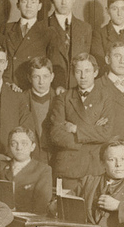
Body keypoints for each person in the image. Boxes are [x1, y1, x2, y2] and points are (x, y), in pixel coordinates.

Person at [48, 52, 118, 186]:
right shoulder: (64, 98)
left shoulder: (105, 97)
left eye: (87, 71)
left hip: (95, 167)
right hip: (69, 168)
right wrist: (92, 136)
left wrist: (75, 129)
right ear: (74, 73)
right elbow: (55, 134)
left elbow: (106, 133)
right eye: (78, 71)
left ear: (95, 72)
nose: (83, 76)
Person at [0, 0, 50, 90]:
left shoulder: (48, 32)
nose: (29, 6)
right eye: (24, 1)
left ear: (39, 6)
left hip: (35, 88)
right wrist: (7, 83)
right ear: (18, 5)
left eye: (33, 2)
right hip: (10, 86)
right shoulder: (5, 29)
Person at [0, 126, 53, 214]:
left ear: (32, 147)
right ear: (9, 146)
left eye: (24, 143)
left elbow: (40, 206)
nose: (19, 148)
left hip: (27, 222)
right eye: (14, 143)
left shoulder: (43, 170)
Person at [44, 0, 93, 91]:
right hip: (51, 90)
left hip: (79, 90)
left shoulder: (86, 28)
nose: (64, 2)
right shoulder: (42, 27)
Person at [95, 40, 124, 143]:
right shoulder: (96, 87)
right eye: (117, 56)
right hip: (109, 148)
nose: (122, 61)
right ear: (107, 59)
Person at [20, 56, 55, 163]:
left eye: (45, 76)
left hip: (55, 159)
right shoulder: (20, 99)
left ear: (52, 77)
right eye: (36, 77)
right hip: (30, 159)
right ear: (29, 78)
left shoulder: (61, 99)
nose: (41, 82)